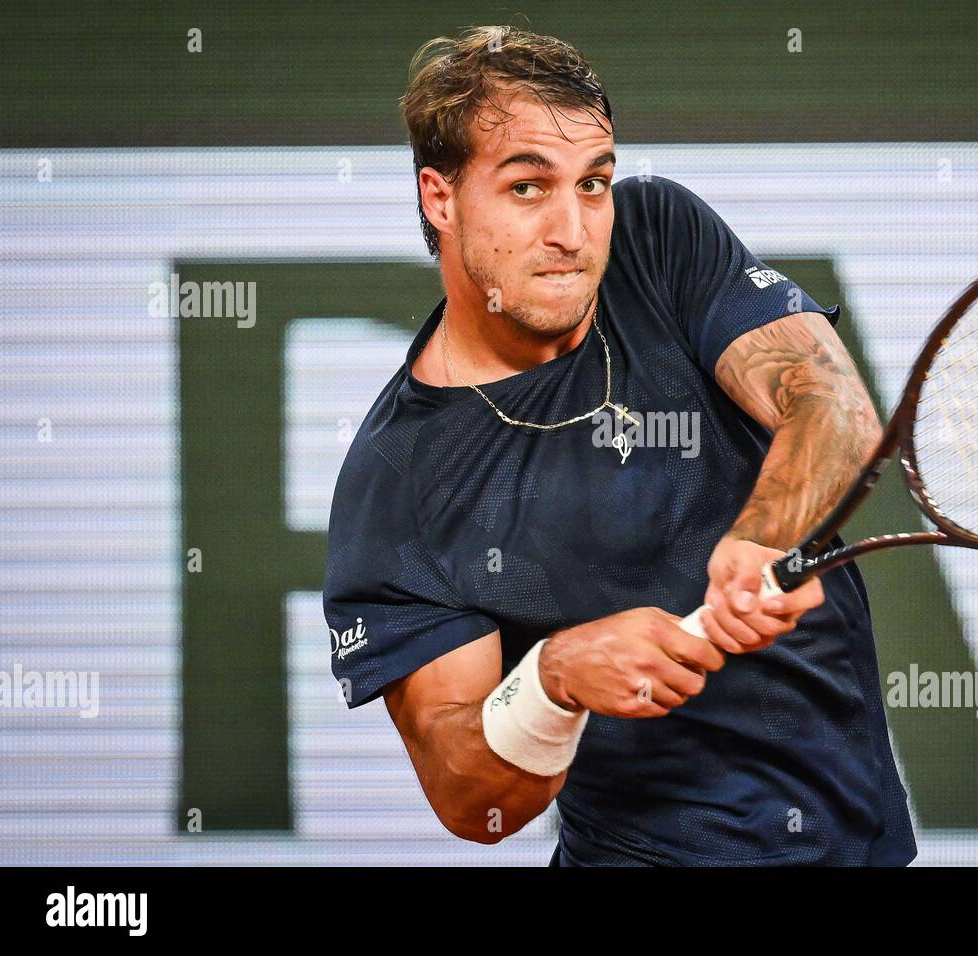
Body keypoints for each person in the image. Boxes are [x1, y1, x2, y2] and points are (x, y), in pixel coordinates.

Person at [323, 25, 916, 865]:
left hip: (864, 846)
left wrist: (762, 537)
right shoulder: (397, 483)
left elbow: (831, 405)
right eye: (528, 187)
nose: (574, 229)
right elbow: (465, 796)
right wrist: (553, 680)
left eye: (593, 182)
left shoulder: (655, 236)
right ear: (441, 196)